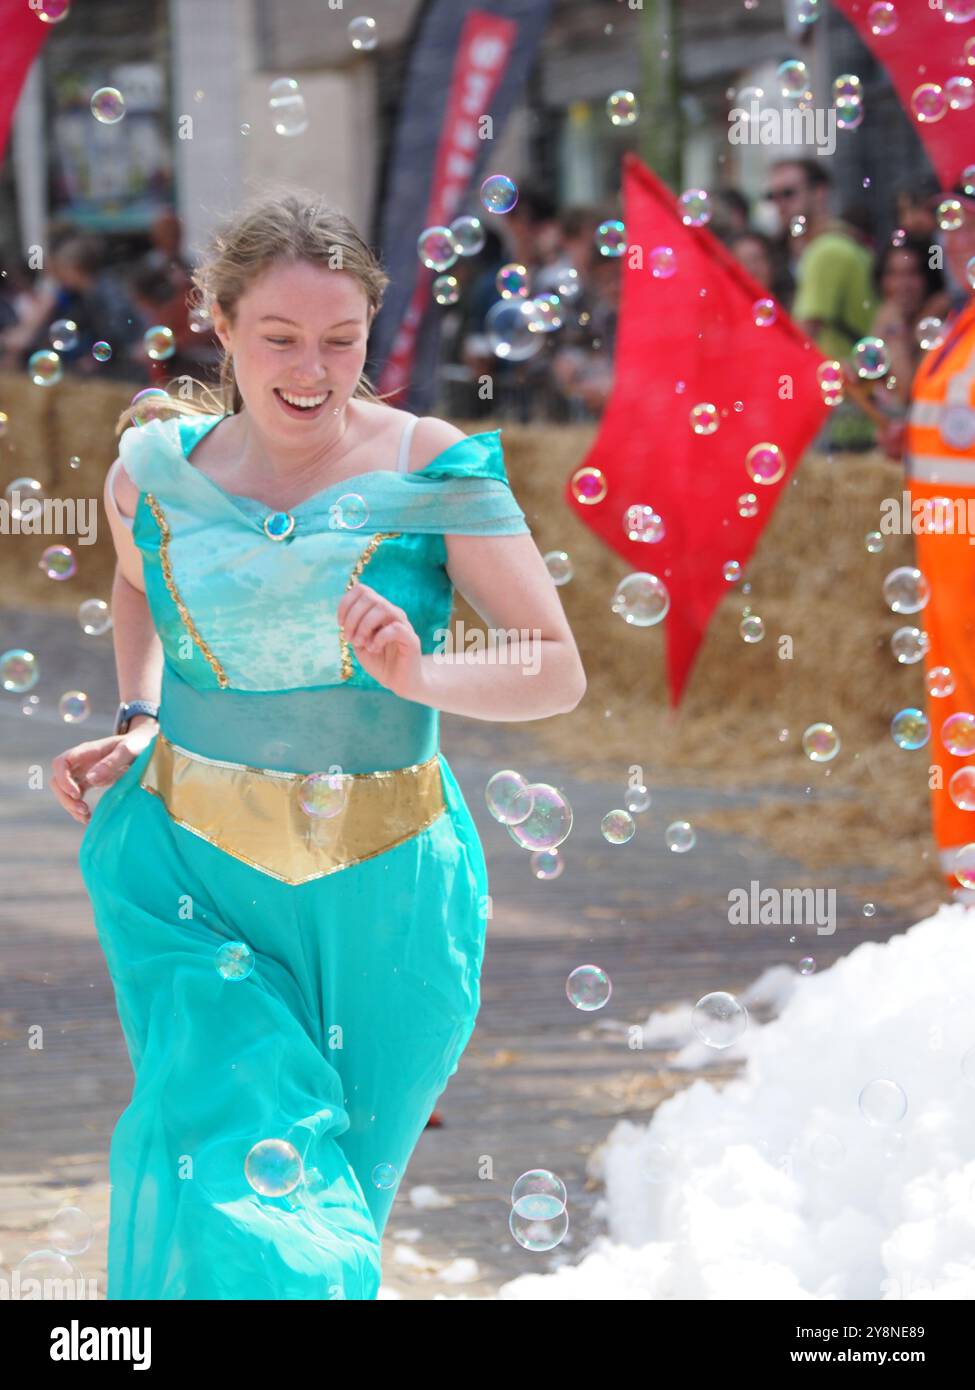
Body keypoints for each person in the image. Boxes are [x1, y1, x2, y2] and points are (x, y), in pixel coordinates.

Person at [50, 191, 587, 1299]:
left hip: (387, 896)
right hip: (188, 875)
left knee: (330, 1211)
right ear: (221, 323)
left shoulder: (434, 474)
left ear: (373, 334)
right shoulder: (149, 473)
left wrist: (424, 674)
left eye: (341, 341)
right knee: (235, 1186)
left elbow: (555, 664)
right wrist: (137, 716)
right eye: (280, 338)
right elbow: (131, 579)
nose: (312, 368)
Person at [882, 181, 975, 892]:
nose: (955, 242)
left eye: (966, 226)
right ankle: (963, 887)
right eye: (950, 228)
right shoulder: (958, 326)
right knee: (954, 722)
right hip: (946, 578)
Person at [764, 157, 878, 449]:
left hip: (840, 418)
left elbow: (800, 337)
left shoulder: (825, 251)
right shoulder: (841, 242)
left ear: (820, 193)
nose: (779, 203)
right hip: (852, 407)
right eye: (772, 196)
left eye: (789, 193)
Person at [869, 235, 949, 410]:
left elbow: (908, 395)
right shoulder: (885, 321)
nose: (902, 285)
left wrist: (897, 332)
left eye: (912, 273)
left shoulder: (945, 328)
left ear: (928, 278)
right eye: (893, 274)